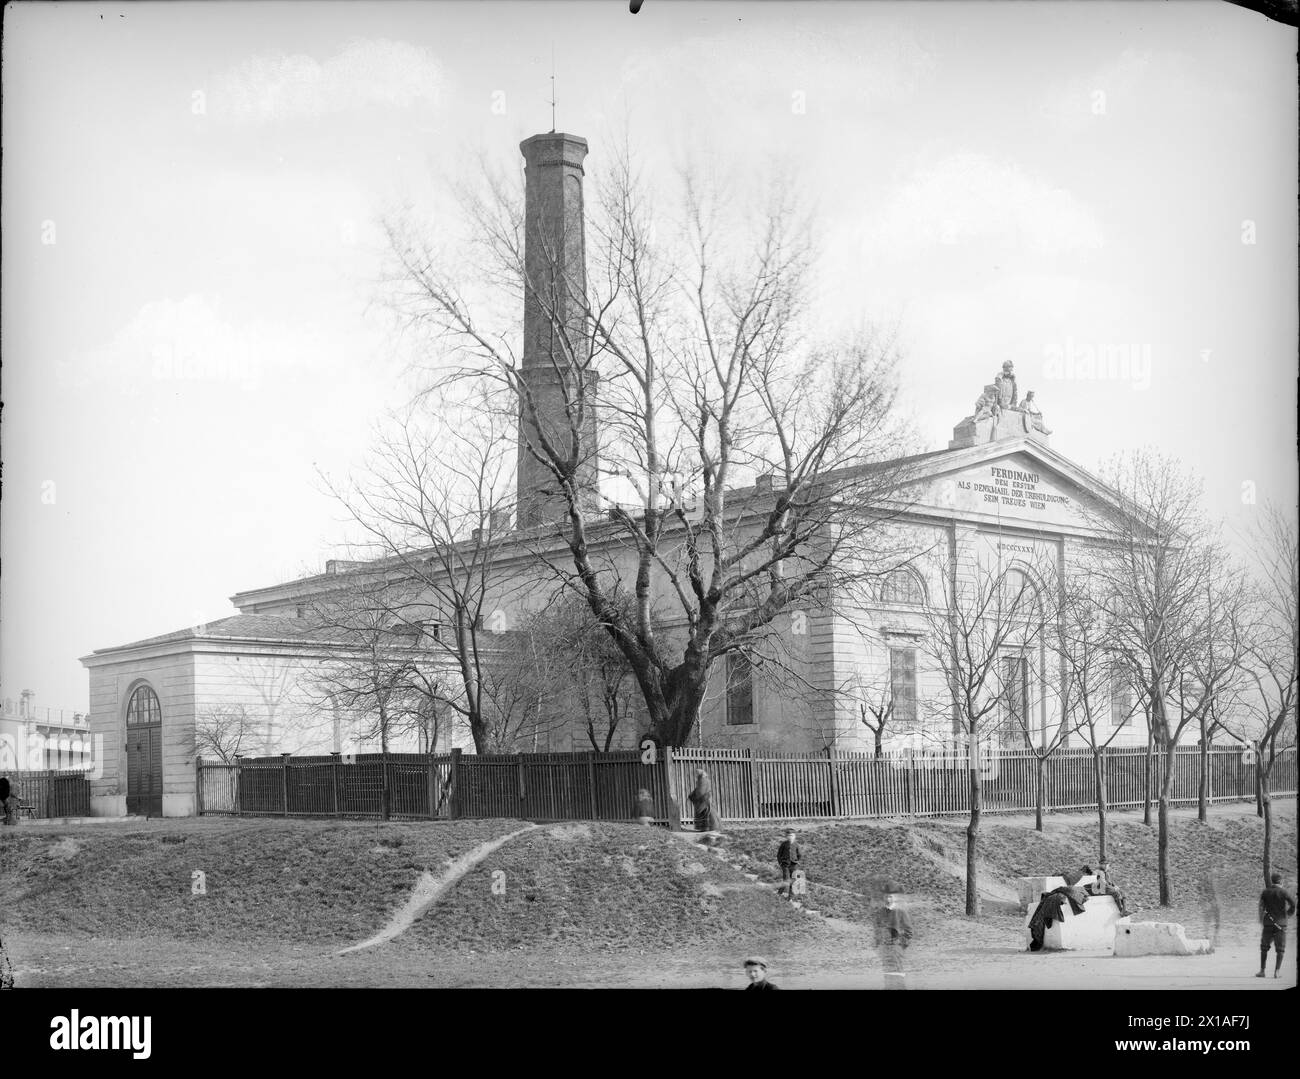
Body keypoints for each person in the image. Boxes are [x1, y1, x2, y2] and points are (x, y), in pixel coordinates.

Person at [873, 882, 913, 988]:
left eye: (890, 896)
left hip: (896, 948)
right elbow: (877, 931)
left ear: (894, 898)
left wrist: (900, 946)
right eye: (886, 896)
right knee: (887, 973)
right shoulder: (880, 913)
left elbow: (909, 932)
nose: (888, 899)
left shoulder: (901, 912)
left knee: (897, 973)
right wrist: (878, 946)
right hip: (884, 948)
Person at [1258, 872, 1297, 979]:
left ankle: (1262, 971)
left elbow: (1261, 906)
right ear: (1281, 881)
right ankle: (1277, 972)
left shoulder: (1265, 892)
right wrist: (1287, 915)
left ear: (1272, 881)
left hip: (1268, 923)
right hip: (1281, 924)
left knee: (1264, 948)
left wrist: (1261, 919)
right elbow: (1293, 904)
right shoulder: (1284, 892)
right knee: (1280, 949)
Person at [688, 769, 721, 836]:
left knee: (707, 813)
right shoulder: (701, 779)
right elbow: (698, 789)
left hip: (704, 799)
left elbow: (701, 790)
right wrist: (693, 794)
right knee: (707, 813)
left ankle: (708, 828)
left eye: (696, 773)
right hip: (704, 798)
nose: (695, 775)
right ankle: (705, 828)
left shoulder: (703, 780)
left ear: (700, 773)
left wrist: (696, 796)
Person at [777, 829, 802, 901]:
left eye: (792, 835)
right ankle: (779, 893)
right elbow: (779, 855)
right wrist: (780, 863)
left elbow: (799, 854)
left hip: (793, 865)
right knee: (786, 880)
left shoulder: (796, 845)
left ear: (794, 836)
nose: (790, 837)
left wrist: (797, 861)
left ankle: (789, 898)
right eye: (789, 836)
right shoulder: (784, 844)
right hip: (785, 865)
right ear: (786, 836)